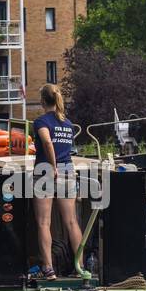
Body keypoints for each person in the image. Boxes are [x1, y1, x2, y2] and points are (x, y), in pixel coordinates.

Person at [32, 83, 82, 280]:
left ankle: (49, 269)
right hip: (68, 170)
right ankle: (79, 266)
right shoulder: (68, 124)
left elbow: (47, 143)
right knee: (71, 221)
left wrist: (52, 166)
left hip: (46, 170)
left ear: (43, 101)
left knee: (44, 222)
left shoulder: (41, 122)